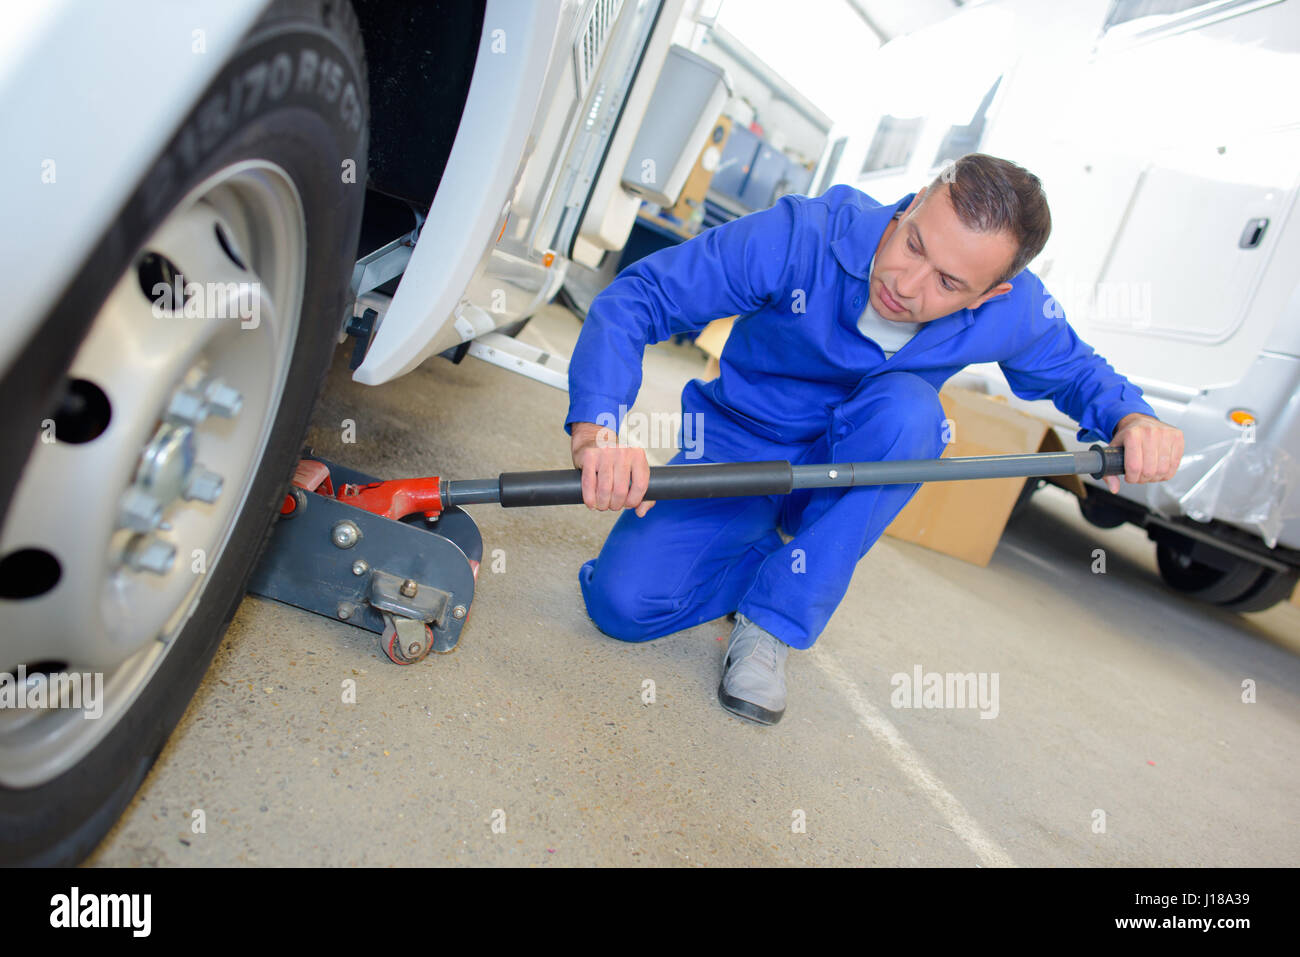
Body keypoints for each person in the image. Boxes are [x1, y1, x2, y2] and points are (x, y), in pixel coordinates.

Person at [563, 152, 1184, 725]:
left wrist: (1133, 419)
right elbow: (640, 298)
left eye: (948, 283)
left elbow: (1079, 372)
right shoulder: (802, 234)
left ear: (991, 295)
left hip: (852, 468)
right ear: (910, 204)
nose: (907, 285)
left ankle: (774, 623)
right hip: (744, 451)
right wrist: (600, 432)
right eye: (913, 245)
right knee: (622, 606)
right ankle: (762, 550)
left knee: (914, 416)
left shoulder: (1014, 307)